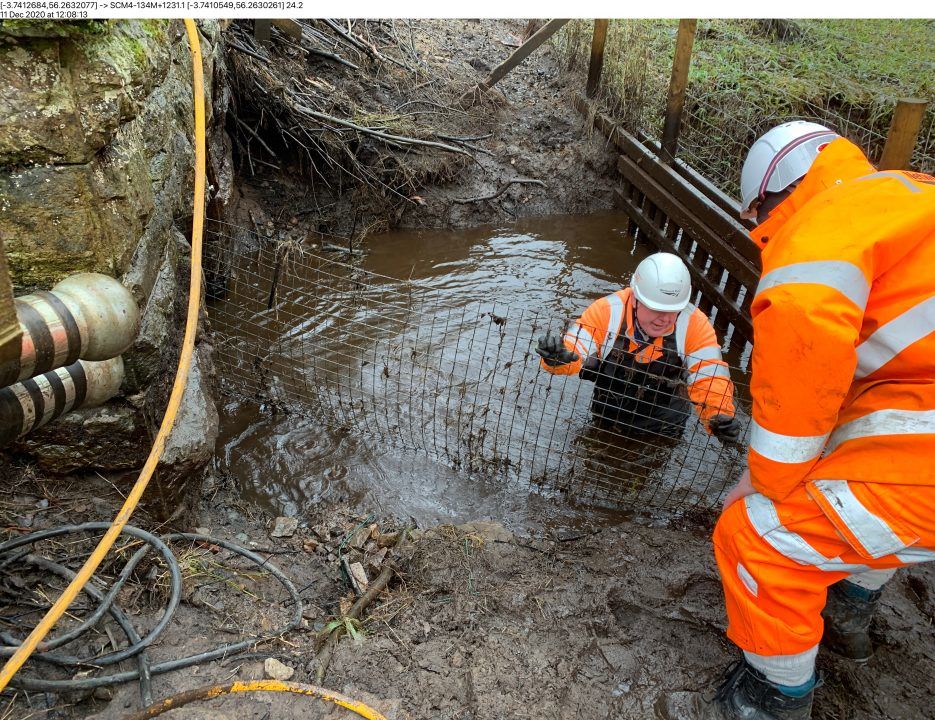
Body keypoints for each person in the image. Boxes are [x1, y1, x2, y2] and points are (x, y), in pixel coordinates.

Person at [663, 121, 935, 719]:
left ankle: (773, 698)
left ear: (767, 201)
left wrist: (754, 465)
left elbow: (782, 352)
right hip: (914, 405)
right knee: (853, 499)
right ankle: (847, 609)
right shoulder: (905, 197)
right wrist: (569, 357)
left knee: (752, 535)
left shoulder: (816, 238)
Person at [535, 252, 740, 442]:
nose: (664, 319)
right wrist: (557, 357)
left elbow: (710, 376)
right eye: (655, 309)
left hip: (665, 426)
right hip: (607, 413)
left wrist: (718, 415)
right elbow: (576, 345)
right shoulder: (608, 311)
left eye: (673, 310)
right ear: (635, 299)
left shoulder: (694, 324)